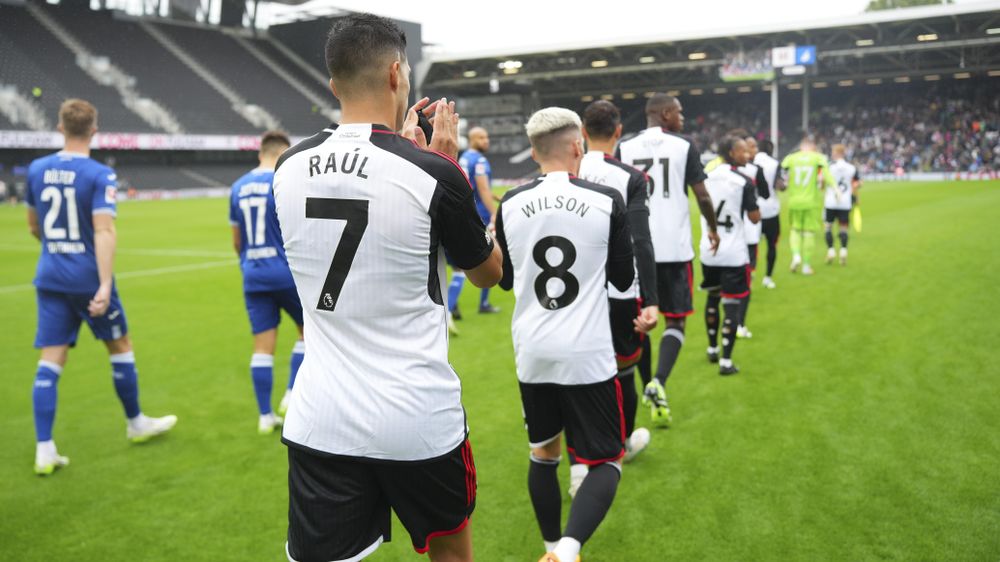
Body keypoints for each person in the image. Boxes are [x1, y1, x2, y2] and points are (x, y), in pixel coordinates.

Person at [272, 14, 502, 562]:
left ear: (334, 84)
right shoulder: (433, 174)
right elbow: (488, 273)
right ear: (398, 73)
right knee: (449, 554)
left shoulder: (287, 166)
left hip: (320, 414)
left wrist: (411, 160)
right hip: (414, 416)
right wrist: (446, 168)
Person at [495, 106, 634, 562]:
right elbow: (620, 277)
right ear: (578, 147)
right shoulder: (606, 199)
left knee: (544, 453)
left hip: (532, 350)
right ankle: (570, 549)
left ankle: (551, 546)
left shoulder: (509, 203)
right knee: (607, 461)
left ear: (534, 153)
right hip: (587, 352)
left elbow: (506, 278)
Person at [25, 99, 176, 476]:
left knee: (50, 359)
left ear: (60, 128)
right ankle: (136, 422)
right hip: (87, 279)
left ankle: (45, 449)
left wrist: (58, 250)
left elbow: (33, 226)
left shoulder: (36, 169)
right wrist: (104, 282)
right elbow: (104, 229)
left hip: (50, 275)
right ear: (94, 130)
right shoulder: (98, 175)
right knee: (119, 345)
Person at [571, 100, 659, 495]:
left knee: (575, 371)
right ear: (619, 131)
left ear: (582, 132)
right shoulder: (630, 177)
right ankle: (619, 446)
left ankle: (577, 463)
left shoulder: (565, 169)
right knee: (624, 368)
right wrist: (652, 299)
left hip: (572, 289)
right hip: (620, 288)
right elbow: (641, 239)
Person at [616, 93, 719, 426]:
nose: (683, 118)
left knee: (642, 322)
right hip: (674, 249)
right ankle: (658, 382)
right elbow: (702, 194)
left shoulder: (625, 148)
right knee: (675, 321)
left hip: (635, 250)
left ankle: (646, 385)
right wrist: (713, 229)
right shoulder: (683, 146)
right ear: (663, 114)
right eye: (679, 112)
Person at [228, 130, 303, 434]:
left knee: (262, 346)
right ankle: (290, 394)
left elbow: (236, 240)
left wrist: (247, 263)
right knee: (309, 332)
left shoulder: (237, 187)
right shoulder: (284, 180)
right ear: (283, 154)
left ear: (260, 152)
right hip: (284, 270)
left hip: (253, 273)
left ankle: (264, 415)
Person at [700, 136, 760, 375]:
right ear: (732, 153)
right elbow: (755, 217)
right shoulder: (744, 181)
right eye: (743, 151)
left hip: (709, 250)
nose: (748, 155)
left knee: (712, 299)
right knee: (732, 304)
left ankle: (712, 348)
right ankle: (726, 361)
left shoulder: (707, 177)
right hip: (734, 252)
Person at [449, 127, 500, 318]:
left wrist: (495, 197)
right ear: (472, 140)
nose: (486, 140)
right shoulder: (479, 161)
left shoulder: (464, 158)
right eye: (481, 137)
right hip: (482, 217)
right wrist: (495, 213)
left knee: (459, 267)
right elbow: (483, 189)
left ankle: (456, 306)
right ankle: (479, 304)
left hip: (466, 212)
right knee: (492, 259)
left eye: (487, 137)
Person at [781, 136, 833, 276]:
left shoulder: (791, 158)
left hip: (794, 201)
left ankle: (796, 255)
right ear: (811, 147)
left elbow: (782, 175)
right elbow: (826, 175)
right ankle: (806, 266)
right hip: (811, 202)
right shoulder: (818, 158)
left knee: (795, 230)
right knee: (809, 233)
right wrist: (835, 188)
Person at [736, 136, 770, 339]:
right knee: (748, 263)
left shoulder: (719, 171)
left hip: (724, 232)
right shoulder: (755, 170)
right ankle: (740, 322)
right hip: (749, 224)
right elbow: (765, 194)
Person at [825, 144, 861, 266]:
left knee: (828, 227)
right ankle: (843, 251)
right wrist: (856, 195)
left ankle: (830, 250)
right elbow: (857, 183)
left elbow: (821, 181)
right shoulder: (851, 168)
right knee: (844, 229)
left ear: (836, 153)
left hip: (830, 202)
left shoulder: (829, 167)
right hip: (845, 203)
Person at [754, 139, 783, 289]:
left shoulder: (751, 161)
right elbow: (779, 185)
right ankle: (768, 277)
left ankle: (750, 276)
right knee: (772, 245)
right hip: (771, 209)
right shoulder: (774, 163)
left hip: (753, 209)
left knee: (752, 245)